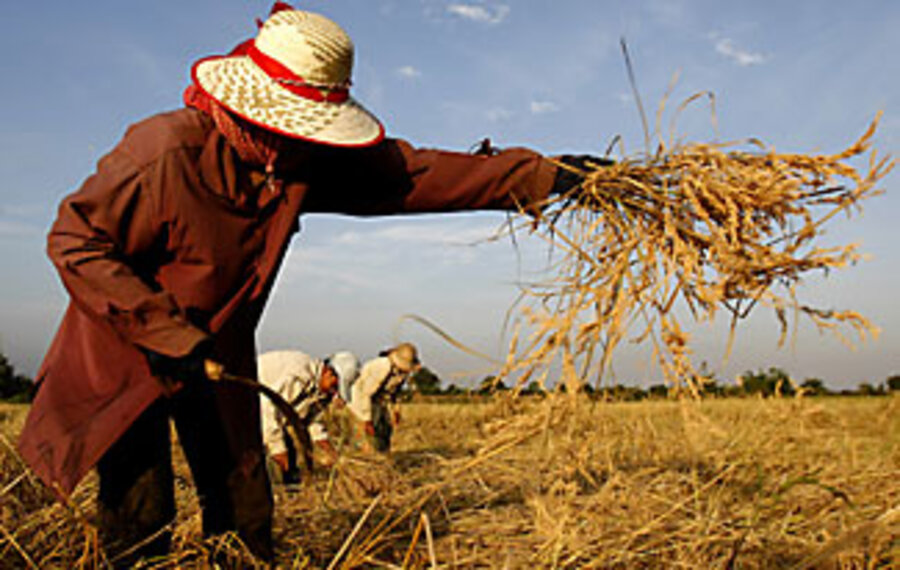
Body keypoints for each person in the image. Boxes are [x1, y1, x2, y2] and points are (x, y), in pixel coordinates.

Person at [16, 3, 605, 564]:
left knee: (246, 510)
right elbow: (76, 240)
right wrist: (169, 334)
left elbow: (419, 175)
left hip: (221, 360)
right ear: (252, 110)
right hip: (128, 353)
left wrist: (548, 176)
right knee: (142, 518)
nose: (306, 142)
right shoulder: (163, 152)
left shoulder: (298, 165)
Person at [257, 350, 359, 484]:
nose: (334, 393)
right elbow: (267, 408)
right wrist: (277, 449)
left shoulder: (320, 390)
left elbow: (312, 420)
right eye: (335, 386)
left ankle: (290, 489)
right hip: (245, 401)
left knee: (289, 457)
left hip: (266, 415)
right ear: (329, 372)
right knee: (271, 458)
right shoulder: (298, 374)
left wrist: (328, 450)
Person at [348, 343, 420, 453]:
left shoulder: (401, 373)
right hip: (360, 400)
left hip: (378, 401)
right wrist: (367, 420)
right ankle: (366, 460)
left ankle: (383, 456)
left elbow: (395, 393)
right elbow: (366, 393)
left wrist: (396, 411)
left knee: (385, 431)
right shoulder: (383, 367)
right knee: (367, 436)